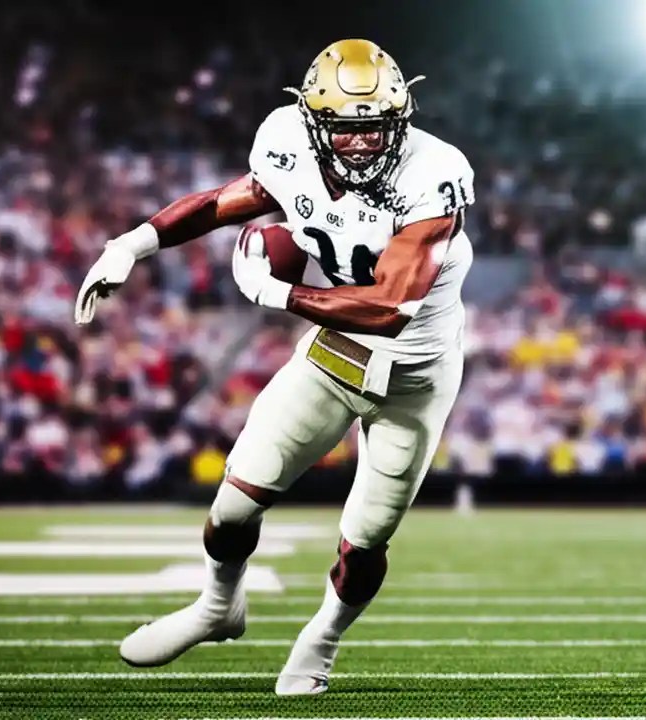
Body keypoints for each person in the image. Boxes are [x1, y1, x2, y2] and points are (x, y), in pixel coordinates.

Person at [74, 38, 475, 696]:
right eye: (346, 130)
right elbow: (224, 202)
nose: (365, 145)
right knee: (232, 507)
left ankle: (321, 639)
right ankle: (216, 607)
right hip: (333, 357)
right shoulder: (286, 142)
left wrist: (278, 294)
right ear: (314, 123)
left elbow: (391, 309)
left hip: (416, 376)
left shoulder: (434, 172)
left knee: (365, 538)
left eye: (377, 127)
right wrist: (135, 242)